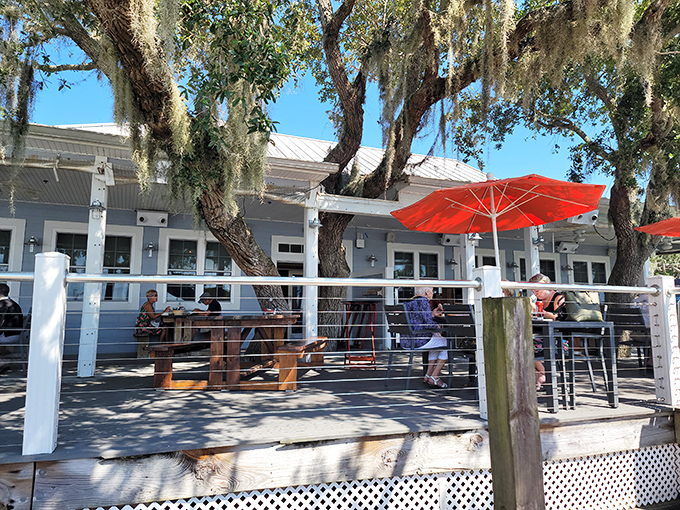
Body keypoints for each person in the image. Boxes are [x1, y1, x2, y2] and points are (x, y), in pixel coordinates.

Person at [402, 286, 449, 388]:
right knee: (446, 343)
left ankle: (428, 375)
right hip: (418, 340)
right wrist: (438, 326)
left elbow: (418, 318)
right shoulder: (423, 301)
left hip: (407, 341)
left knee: (437, 341)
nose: (432, 293)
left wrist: (431, 314)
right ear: (427, 292)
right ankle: (435, 377)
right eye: (432, 291)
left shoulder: (409, 302)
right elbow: (428, 325)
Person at [528, 273, 567, 390]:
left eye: (537, 290)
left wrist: (540, 311)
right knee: (519, 346)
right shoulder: (537, 301)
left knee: (525, 347)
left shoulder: (558, 298)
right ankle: (543, 376)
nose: (535, 293)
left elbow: (558, 317)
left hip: (558, 340)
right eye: (533, 291)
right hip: (540, 337)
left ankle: (546, 376)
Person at [0, 283, 23, 371]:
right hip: (14, 334)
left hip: (8, 335)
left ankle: (3, 362)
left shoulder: (3, 305)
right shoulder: (13, 304)